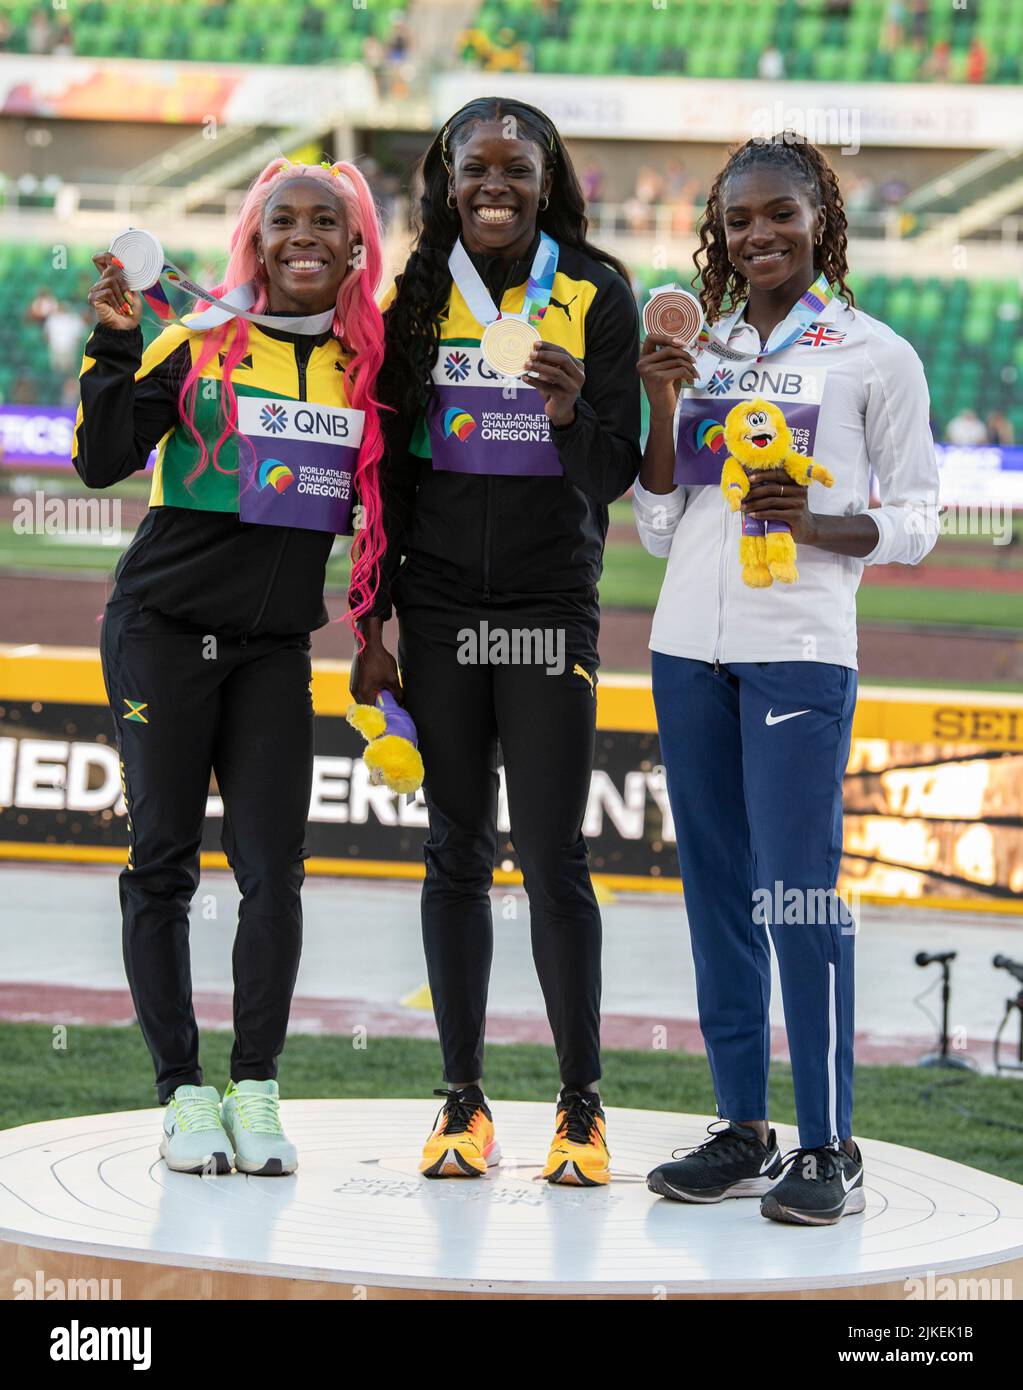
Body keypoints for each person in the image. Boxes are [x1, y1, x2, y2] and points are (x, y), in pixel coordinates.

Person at [635, 133, 938, 1225]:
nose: (758, 234)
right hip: (686, 650)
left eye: (780, 215)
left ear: (823, 223)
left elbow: (916, 519)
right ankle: (742, 1128)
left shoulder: (874, 354)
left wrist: (818, 523)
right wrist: (662, 407)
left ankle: (829, 1144)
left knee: (797, 891)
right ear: (718, 231)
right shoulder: (699, 346)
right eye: (739, 218)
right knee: (715, 887)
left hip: (801, 649)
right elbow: (662, 525)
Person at [73, 159, 386, 1176]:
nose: (304, 236)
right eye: (282, 219)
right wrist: (117, 338)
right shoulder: (201, 341)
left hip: (272, 652)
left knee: (274, 874)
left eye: (325, 224)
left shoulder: (368, 366)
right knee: (162, 864)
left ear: (352, 248)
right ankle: (181, 1093)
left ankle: (256, 1088)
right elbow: (102, 457)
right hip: (161, 632)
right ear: (257, 238)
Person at [352, 97, 640, 1186]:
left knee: (556, 859)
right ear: (447, 177)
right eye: (476, 168)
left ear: (547, 177)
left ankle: (581, 1107)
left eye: (517, 169)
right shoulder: (417, 294)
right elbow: (391, 477)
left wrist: (570, 415)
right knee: (456, 853)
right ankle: (462, 1101)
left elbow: (613, 471)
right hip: (438, 615)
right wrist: (374, 617)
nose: (495, 186)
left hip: (547, 609)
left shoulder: (595, 292)